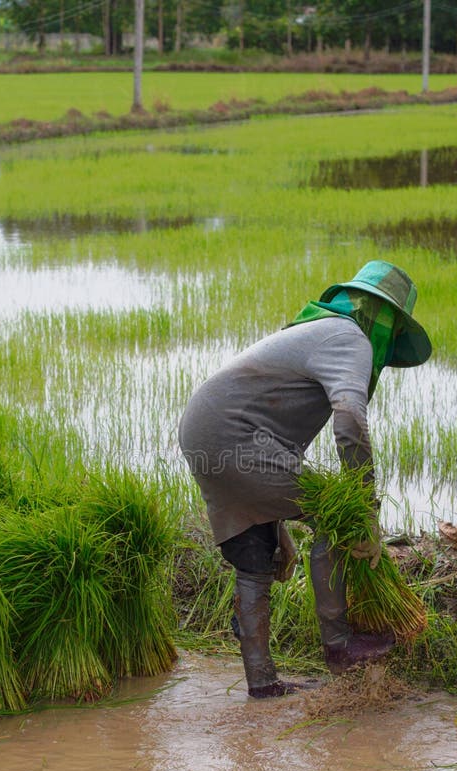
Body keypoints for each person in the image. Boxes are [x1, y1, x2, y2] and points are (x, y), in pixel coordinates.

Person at [179, 260, 432, 698]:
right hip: (238, 436)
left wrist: (278, 524)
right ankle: (339, 644)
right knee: (339, 511)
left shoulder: (314, 330)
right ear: (384, 321)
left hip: (204, 430)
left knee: (256, 556)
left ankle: (262, 685)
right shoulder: (350, 338)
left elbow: (275, 442)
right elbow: (350, 420)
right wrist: (364, 510)